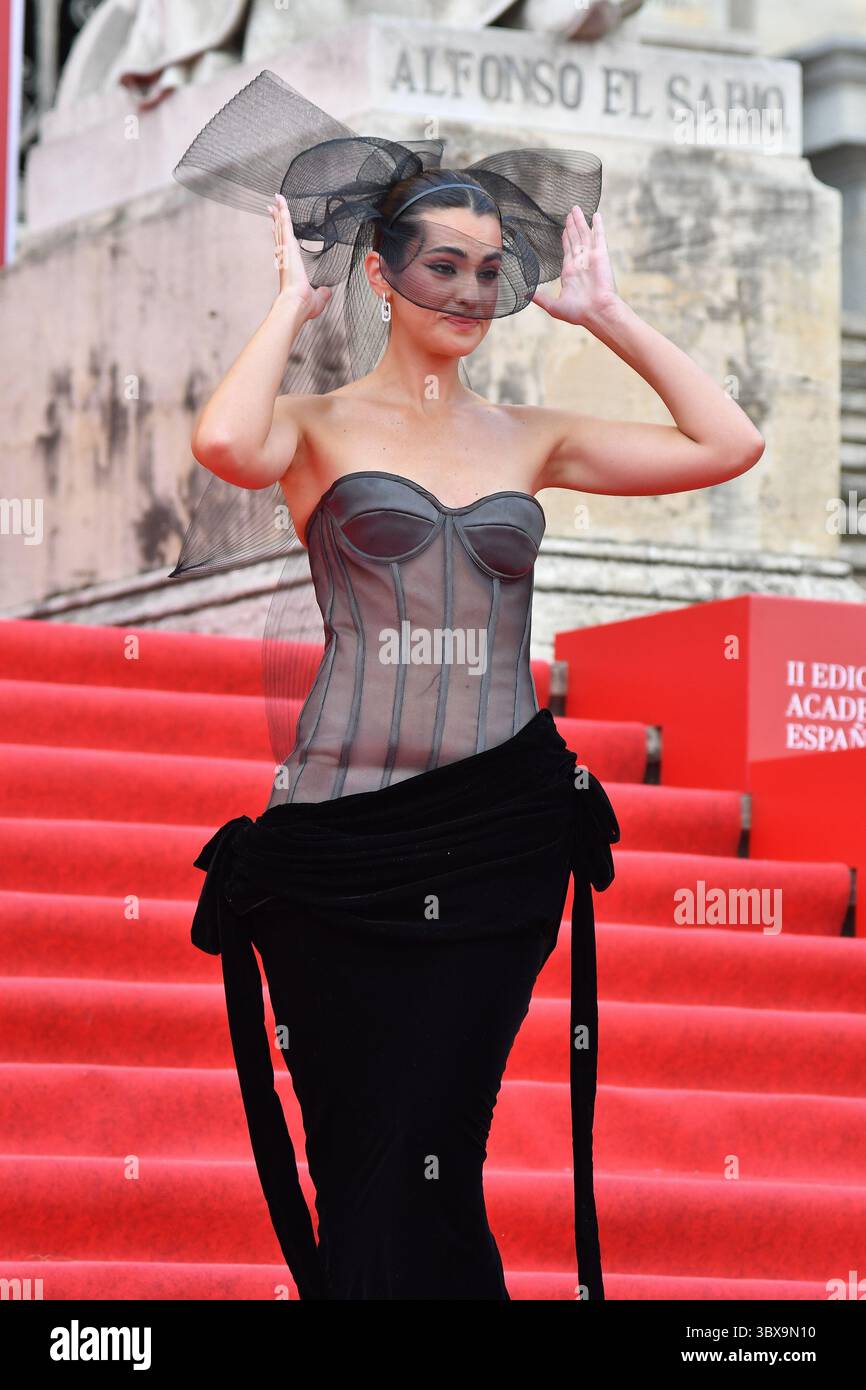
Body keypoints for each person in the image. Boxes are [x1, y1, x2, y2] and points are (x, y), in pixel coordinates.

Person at [167, 70, 764, 1301]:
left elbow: (728, 443)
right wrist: (288, 303)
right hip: (336, 847)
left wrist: (606, 314)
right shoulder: (315, 427)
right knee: (360, 1152)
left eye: (491, 271)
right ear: (380, 276)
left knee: (437, 1139)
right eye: (441, 265)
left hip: (497, 838)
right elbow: (223, 442)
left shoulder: (529, 436)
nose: (469, 293)